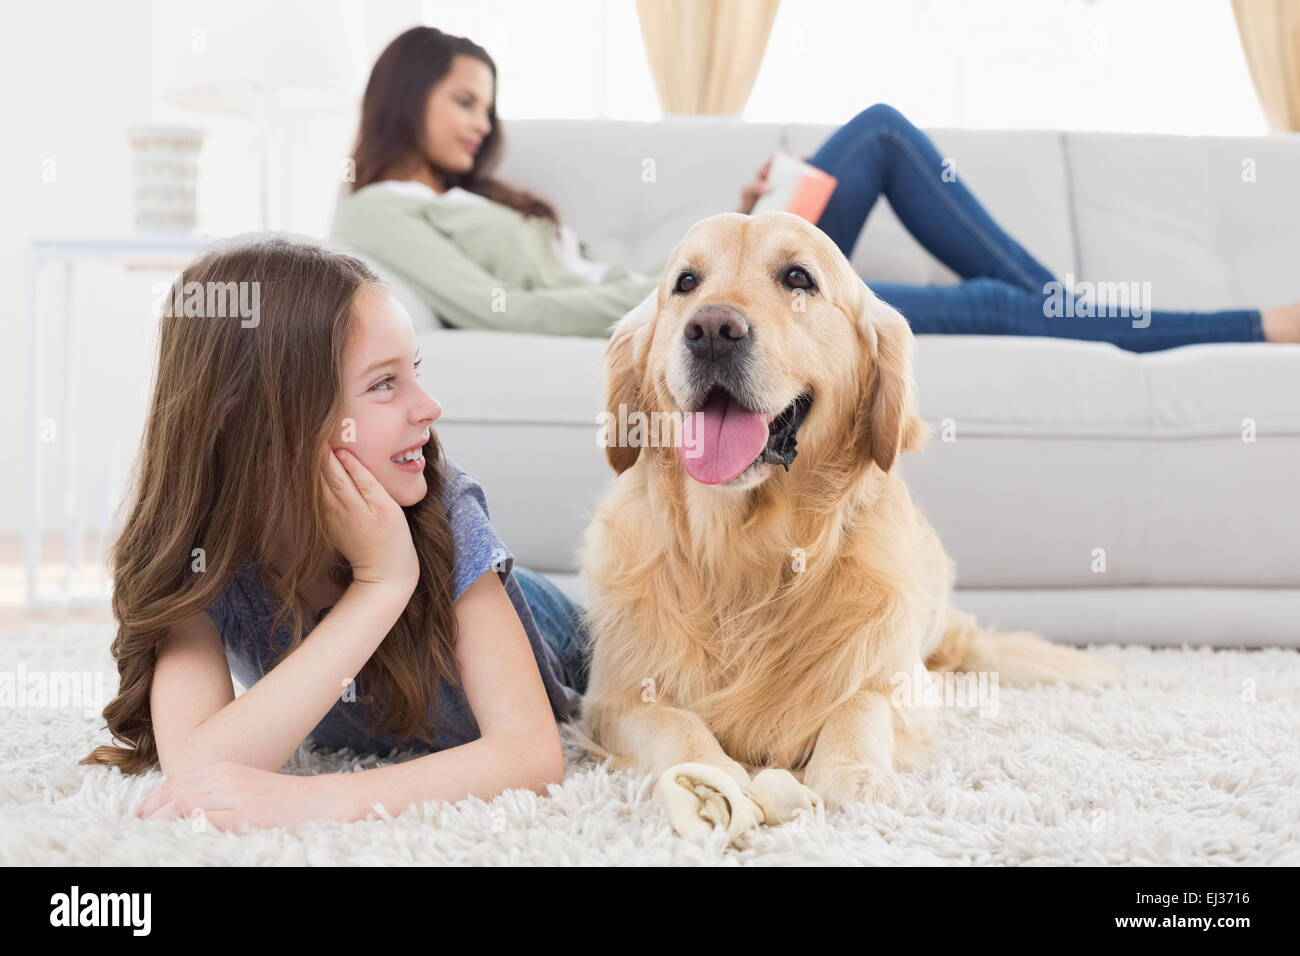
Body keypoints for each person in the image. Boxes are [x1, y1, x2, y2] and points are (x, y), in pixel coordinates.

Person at [330, 26, 1300, 351]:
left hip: (706, 280)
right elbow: (511, 313)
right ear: (405, 93)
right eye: (461, 99)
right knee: (994, 303)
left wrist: (749, 219)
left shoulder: (482, 196)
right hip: (684, 304)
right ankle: (1246, 326)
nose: (476, 122)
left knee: (876, 136)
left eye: (483, 105)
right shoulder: (376, 213)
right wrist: (671, 289)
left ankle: (1084, 311)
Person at [83, 235, 592, 831]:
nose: (429, 406)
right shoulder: (198, 553)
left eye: (414, 373)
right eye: (383, 383)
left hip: (566, 629)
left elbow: (531, 756)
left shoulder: (447, 510)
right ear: (260, 422)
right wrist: (379, 589)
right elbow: (199, 767)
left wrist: (316, 799)